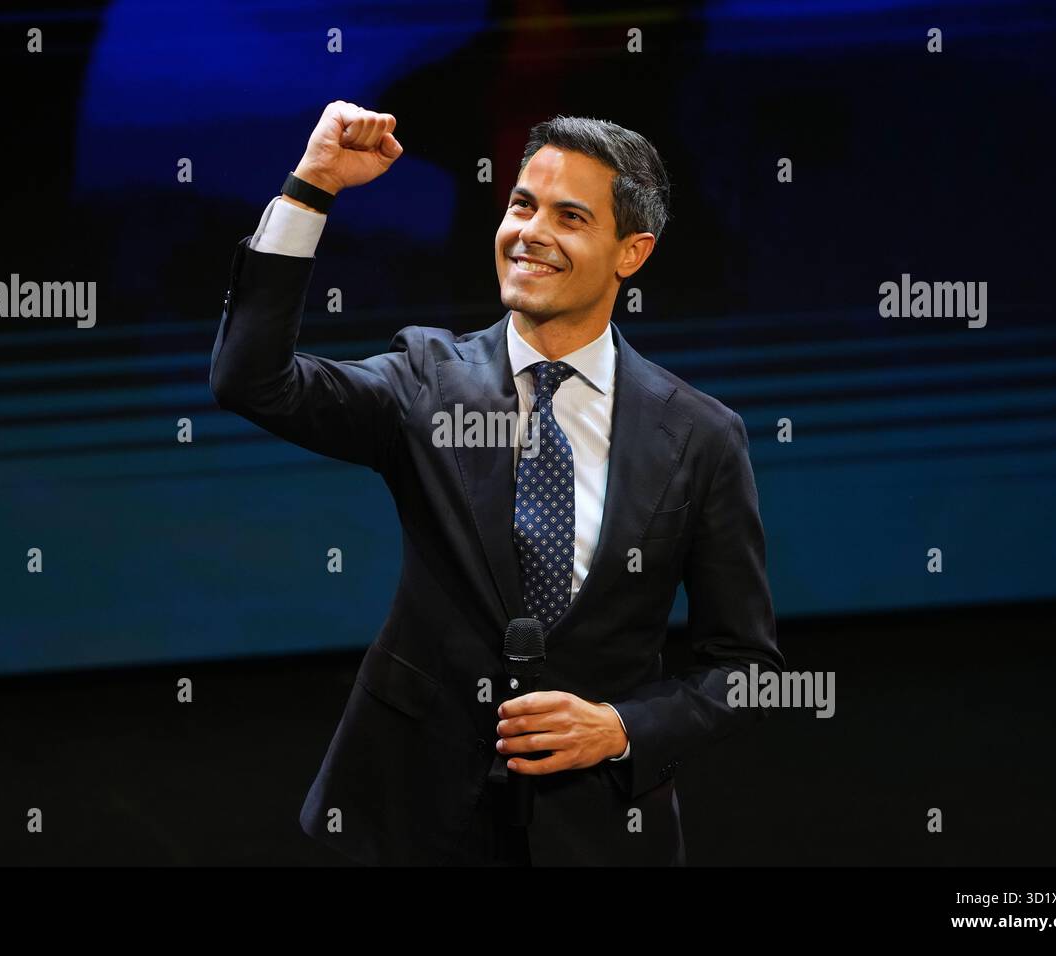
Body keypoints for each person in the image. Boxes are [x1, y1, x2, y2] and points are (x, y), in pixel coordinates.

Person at [209, 101, 784, 866]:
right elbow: (252, 381)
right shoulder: (427, 380)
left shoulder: (702, 436)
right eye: (522, 204)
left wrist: (619, 728)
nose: (531, 232)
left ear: (632, 252)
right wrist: (313, 185)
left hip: (596, 829)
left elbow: (744, 668)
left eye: (570, 216)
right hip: (411, 817)